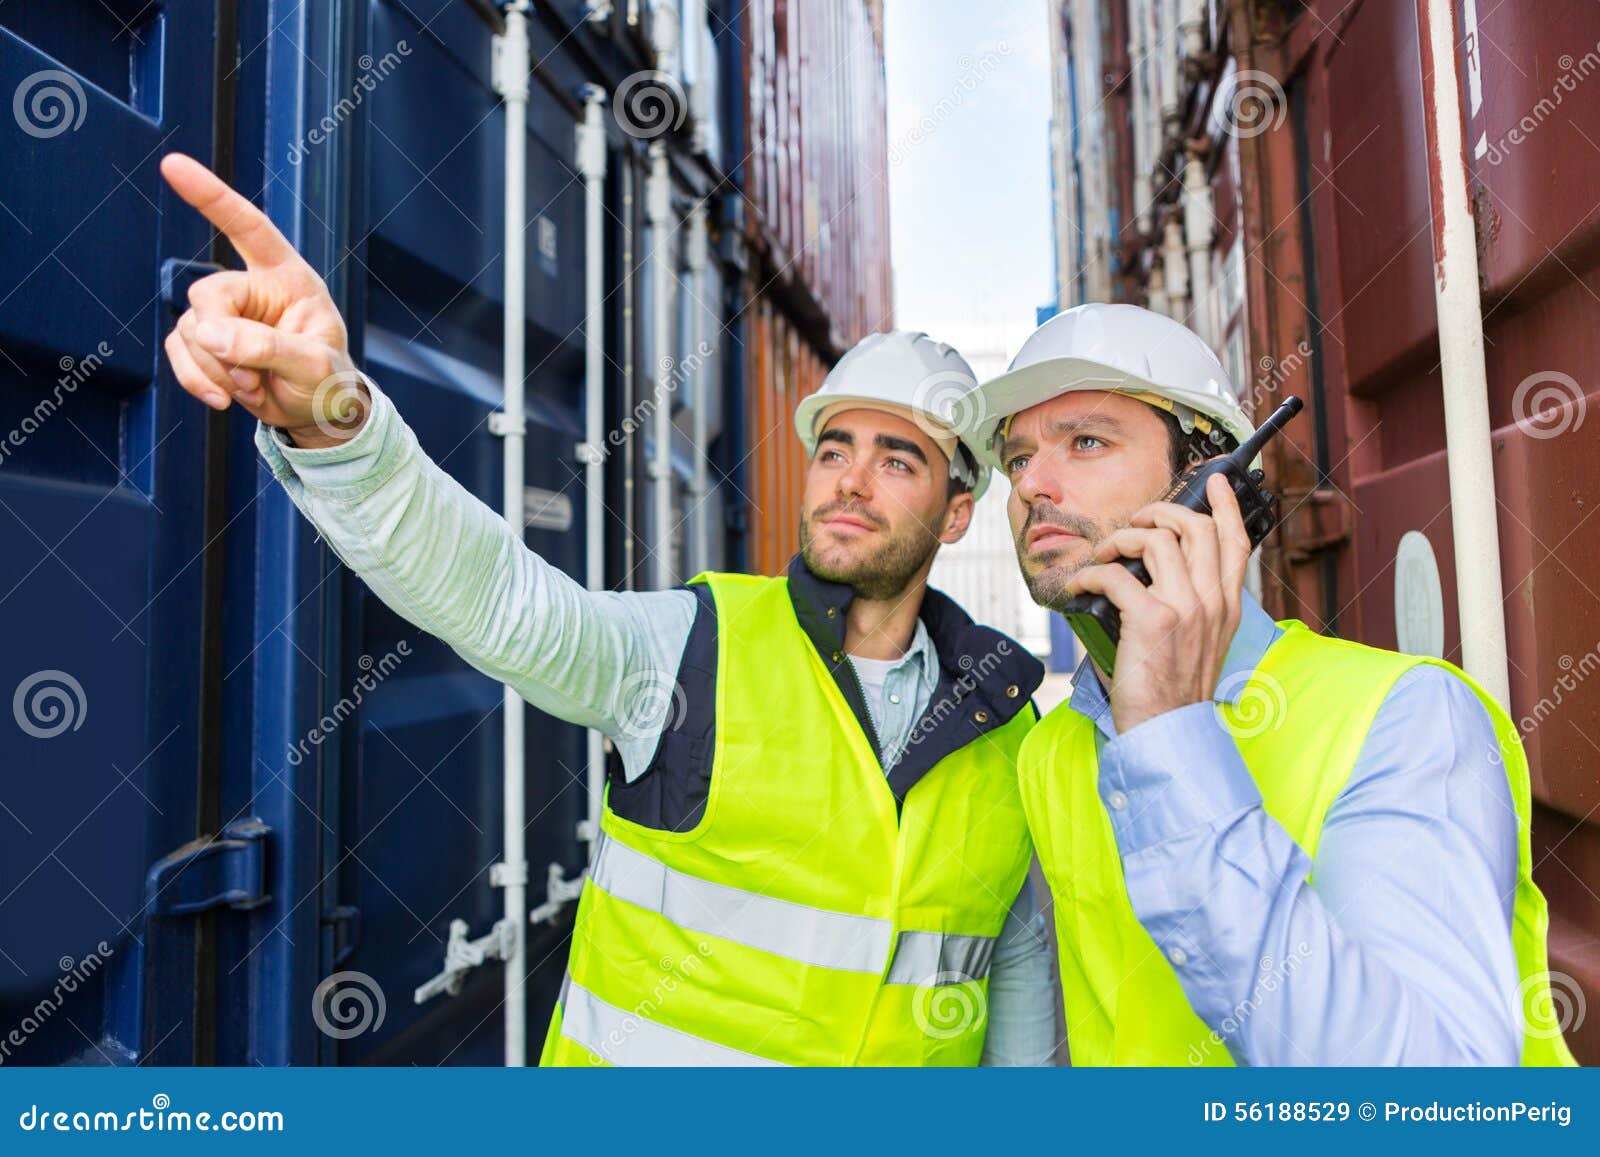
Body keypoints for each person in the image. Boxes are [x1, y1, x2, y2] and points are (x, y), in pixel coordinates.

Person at [156, 153, 1058, 1066]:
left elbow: (1019, 1024)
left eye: (897, 460)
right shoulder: (695, 649)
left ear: (956, 513)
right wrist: (336, 421)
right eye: (834, 449)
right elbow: (497, 598)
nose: (851, 480)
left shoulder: (1011, 740)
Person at [967, 301, 1578, 1066]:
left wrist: (1169, 736)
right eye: (1018, 458)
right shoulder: (1053, 750)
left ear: (1211, 485)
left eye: (1086, 441)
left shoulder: (1406, 719)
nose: (1031, 484)